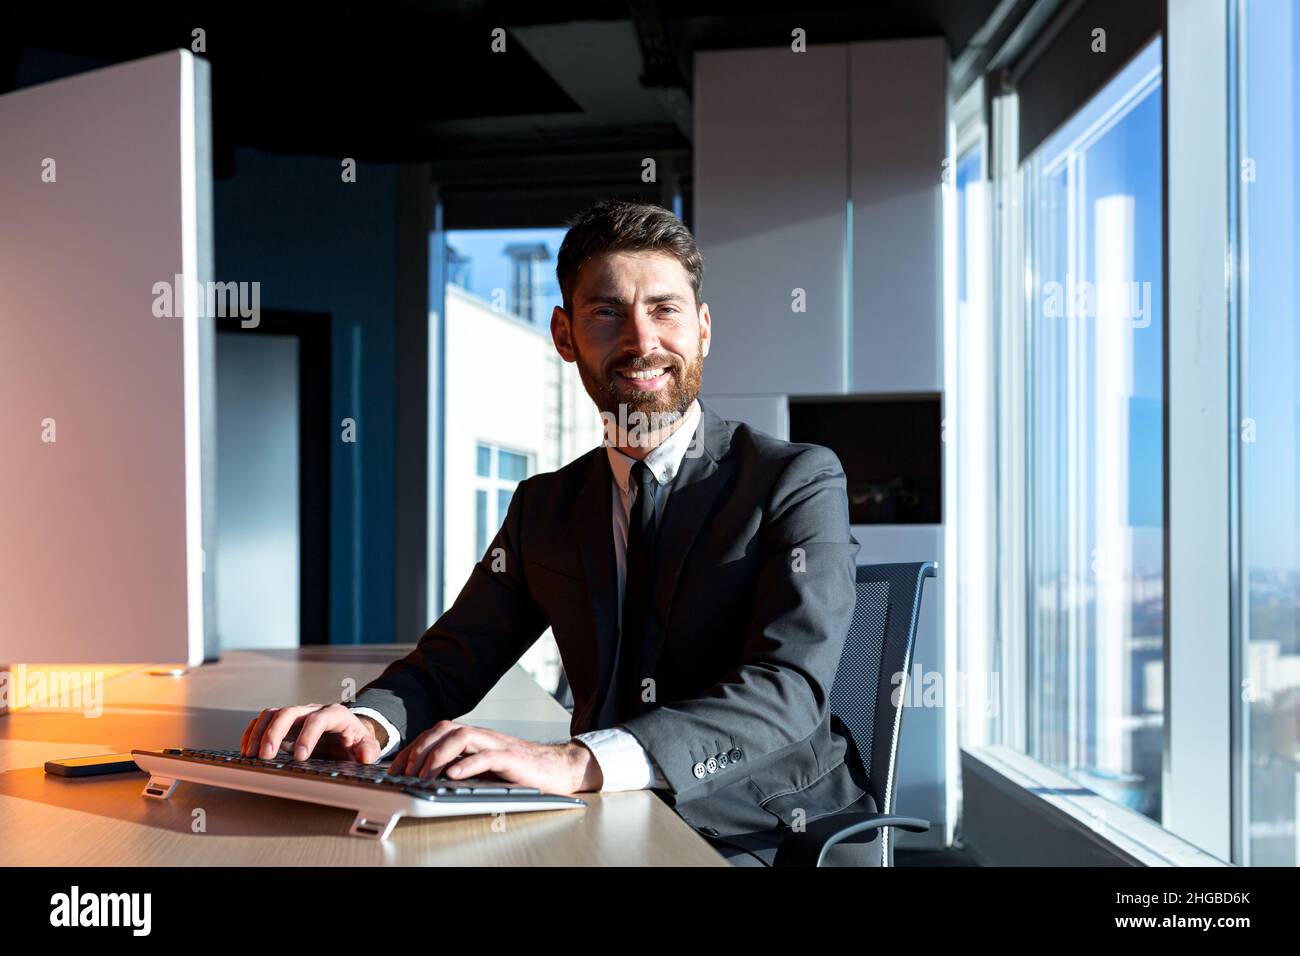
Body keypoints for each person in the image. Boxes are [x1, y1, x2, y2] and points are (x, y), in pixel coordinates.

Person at [241, 200, 875, 866]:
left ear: (703, 329)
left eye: (665, 310)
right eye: (607, 312)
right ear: (565, 335)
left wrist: (578, 762)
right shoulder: (544, 506)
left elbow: (789, 689)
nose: (641, 339)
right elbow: (453, 658)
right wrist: (367, 722)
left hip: (771, 828)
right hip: (607, 819)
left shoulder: (795, 480)